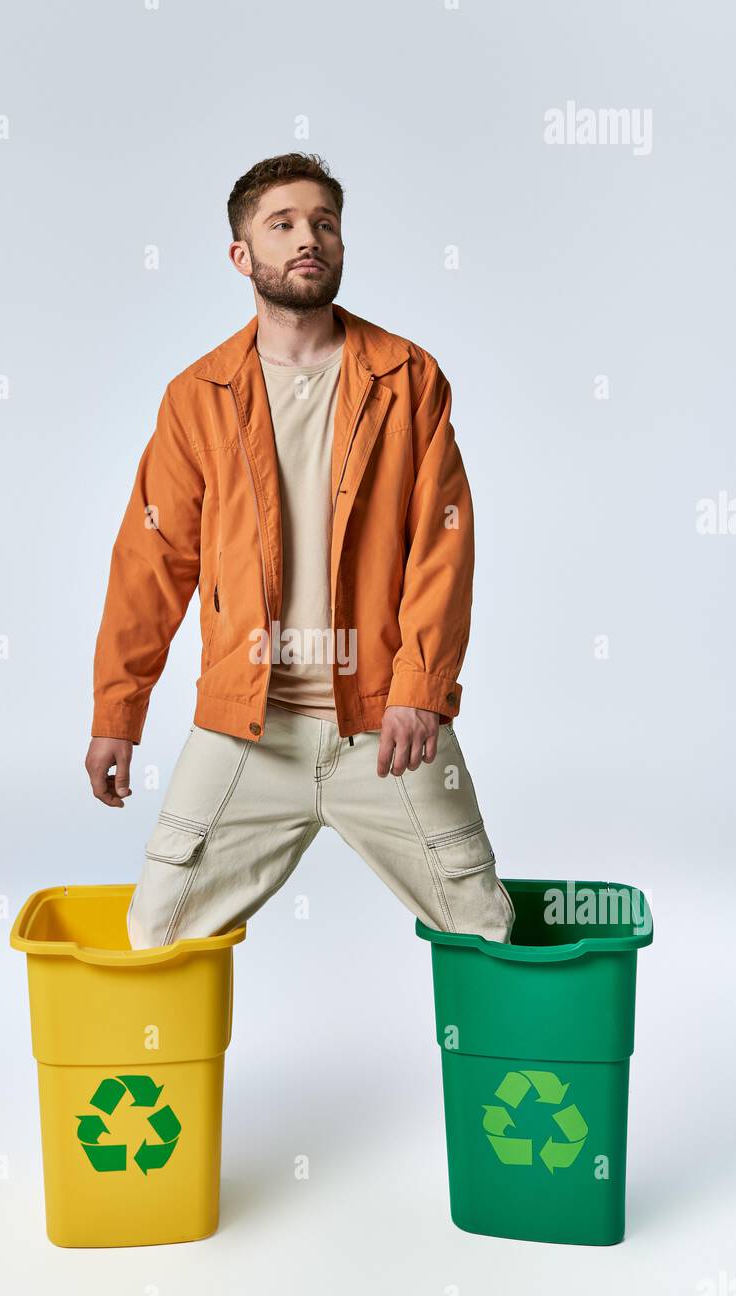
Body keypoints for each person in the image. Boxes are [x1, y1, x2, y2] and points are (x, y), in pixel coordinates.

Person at [85, 152, 515, 949]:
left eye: (324, 223)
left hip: (387, 724)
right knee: (155, 932)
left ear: (342, 246)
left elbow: (443, 545)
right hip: (249, 726)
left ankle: (501, 1070)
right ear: (242, 257)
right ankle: (169, 1074)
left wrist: (421, 687)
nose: (307, 238)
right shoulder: (198, 396)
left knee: (484, 924)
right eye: (281, 225)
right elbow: (152, 561)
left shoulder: (410, 378)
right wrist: (119, 710)